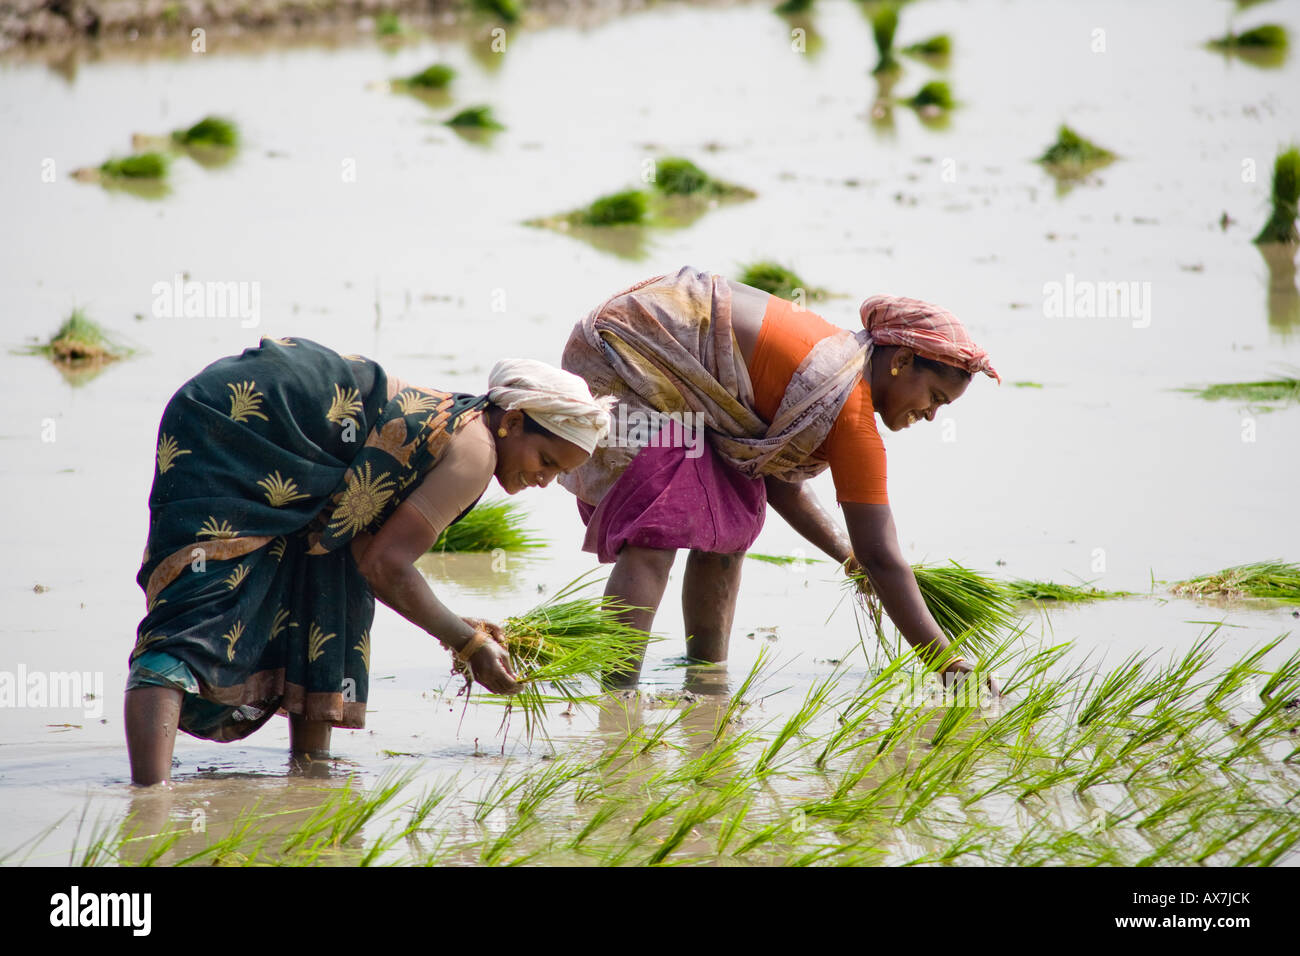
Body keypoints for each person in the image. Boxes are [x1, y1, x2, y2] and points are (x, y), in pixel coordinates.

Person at [125, 336, 613, 785]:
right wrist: (469, 645)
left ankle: (310, 773)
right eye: (546, 460)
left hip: (261, 407)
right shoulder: (476, 451)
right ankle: (150, 797)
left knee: (328, 574)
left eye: (559, 473)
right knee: (199, 608)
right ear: (511, 421)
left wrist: (463, 628)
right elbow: (386, 566)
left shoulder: (462, 430)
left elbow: (359, 549)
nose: (545, 480)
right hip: (245, 417)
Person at [560, 266, 1001, 691]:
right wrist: (948, 662)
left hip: (672, 373)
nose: (931, 415)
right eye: (935, 397)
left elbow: (779, 485)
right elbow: (882, 557)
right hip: (623, 359)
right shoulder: (849, 408)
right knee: (659, 528)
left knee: (730, 520)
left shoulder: (835, 378)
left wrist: (847, 557)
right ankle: (617, 695)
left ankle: (705, 681)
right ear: (901, 360)